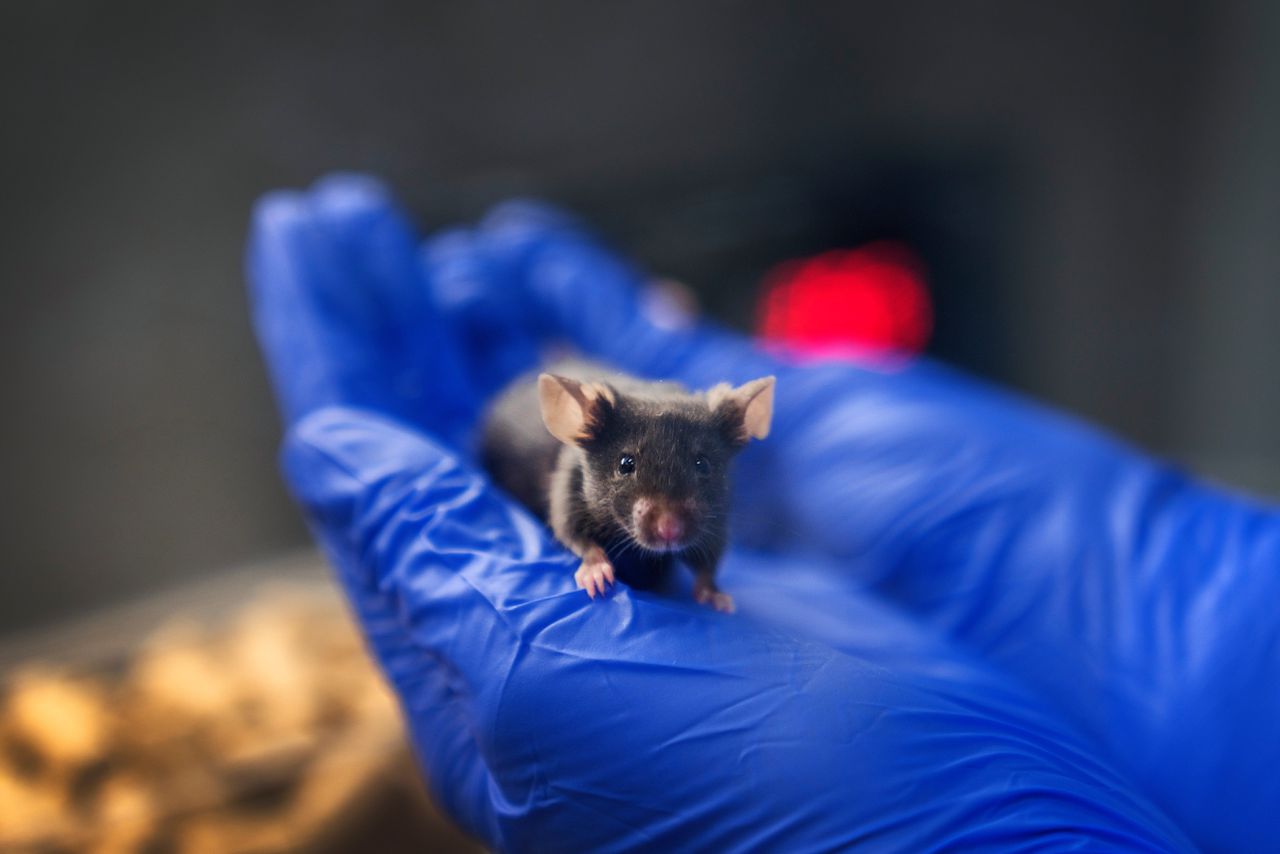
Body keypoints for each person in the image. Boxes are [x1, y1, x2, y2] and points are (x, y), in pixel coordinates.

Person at [248, 174, 1280, 852]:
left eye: (689, 495)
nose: (667, 514)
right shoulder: (572, 454)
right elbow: (580, 499)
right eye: (646, 498)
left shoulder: (703, 490)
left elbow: (698, 525)